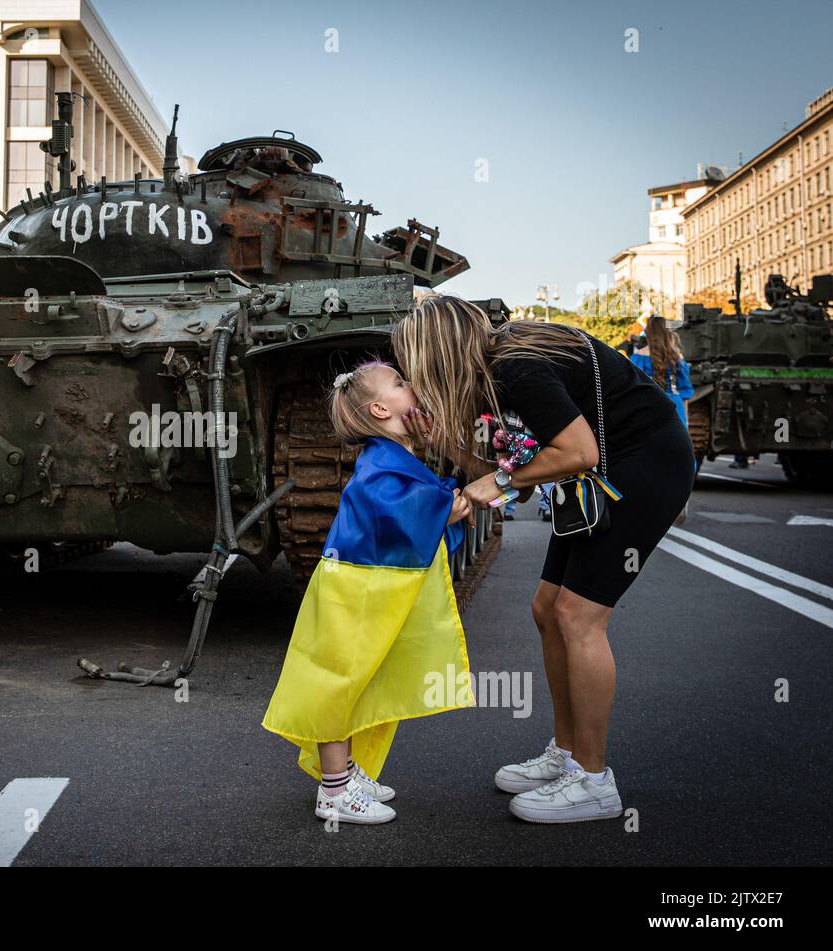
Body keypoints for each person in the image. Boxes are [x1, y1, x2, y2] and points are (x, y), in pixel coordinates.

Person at [394, 295, 695, 824]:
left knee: (579, 615)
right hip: (606, 470)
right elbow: (507, 459)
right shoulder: (500, 361)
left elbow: (578, 452)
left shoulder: (518, 368)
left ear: (438, 351)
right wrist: (453, 447)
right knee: (546, 606)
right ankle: (567, 751)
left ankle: (595, 781)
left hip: (644, 463)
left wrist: (500, 480)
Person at [262, 359, 474, 825]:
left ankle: (346, 772)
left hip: (362, 585)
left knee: (359, 678)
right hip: (353, 589)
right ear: (380, 409)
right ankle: (334, 791)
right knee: (339, 680)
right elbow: (391, 507)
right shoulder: (380, 460)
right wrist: (444, 508)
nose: (411, 384)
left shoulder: (392, 452)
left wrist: (440, 499)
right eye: (400, 383)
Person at [630, 315, 694, 523]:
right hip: (675, 406)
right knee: (680, 455)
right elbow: (685, 393)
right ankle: (681, 500)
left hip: (650, 407)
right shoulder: (677, 358)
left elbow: (632, 390)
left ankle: (650, 502)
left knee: (648, 455)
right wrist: (686, 422)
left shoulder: (637, 357)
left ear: (648, 333)